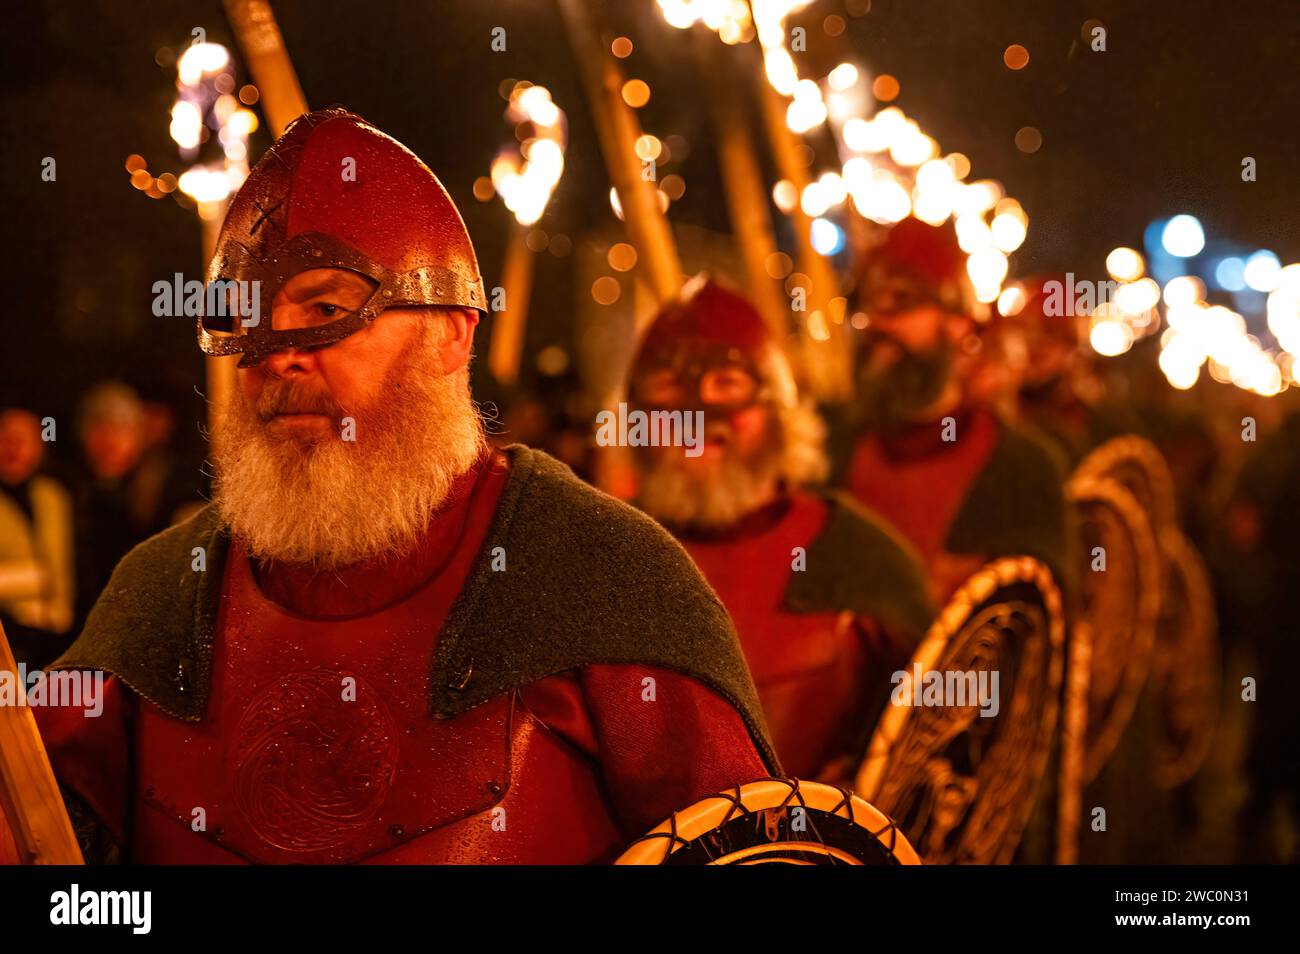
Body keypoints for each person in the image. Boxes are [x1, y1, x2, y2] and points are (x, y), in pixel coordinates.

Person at [36, 108, 777, 865]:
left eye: (326, 308)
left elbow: (757, 852)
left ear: (453, 331)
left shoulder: (600, 575)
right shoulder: (161, 595)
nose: (277, 357)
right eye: (249, 317)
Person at [626, 277, 934, 782]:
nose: (696, 415)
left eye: (728, 384)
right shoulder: (599, 555)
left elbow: (940, 758)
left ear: (778, 409)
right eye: (667, 387)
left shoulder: (860, 559)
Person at [834, 217, 1070, 601]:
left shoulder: (1022, 468)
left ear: (959, 325)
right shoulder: (832, 447)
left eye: (901, 300)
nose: (877, 322)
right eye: (866, 303)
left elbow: (1039, 623)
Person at [0, 406, 75, 668]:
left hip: (57, 638)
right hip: (8, 641)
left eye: (26, 439)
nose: (15, 447)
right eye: (7, 437)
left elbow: (71, 561)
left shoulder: (53, 495)